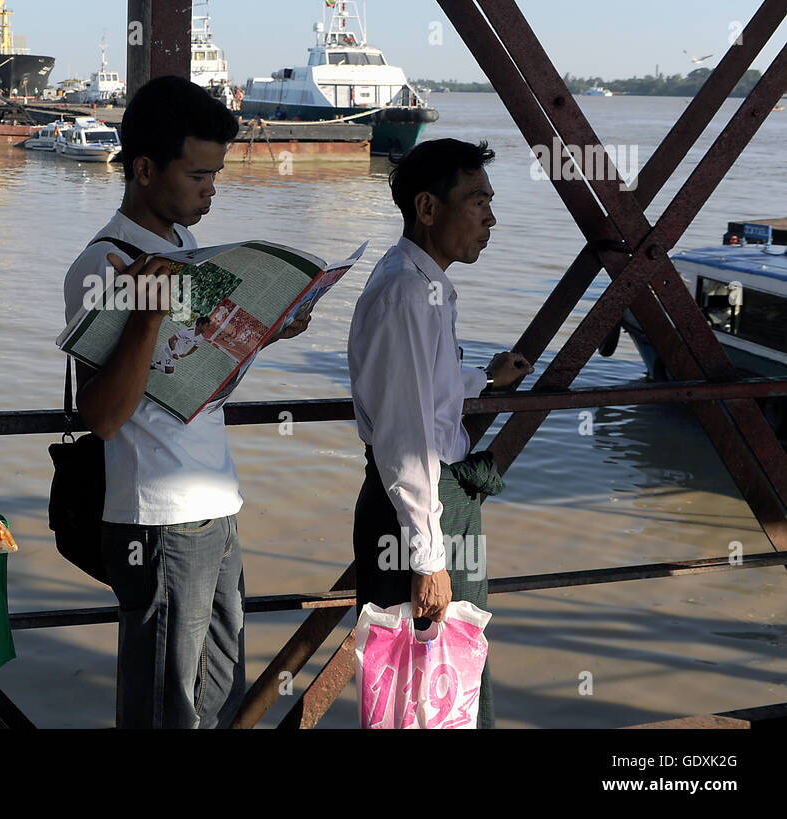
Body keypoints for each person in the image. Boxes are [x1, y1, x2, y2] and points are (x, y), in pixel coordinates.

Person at [62, 75, 311, 729]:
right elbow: (105, 416)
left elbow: (202, 384)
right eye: (198, 175)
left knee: (218, 692)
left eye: (216, 174)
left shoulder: (184, 252)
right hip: (159, 515)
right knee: (163, 705)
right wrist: (145, 317)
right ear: (144, 169)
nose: (211, 189)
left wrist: (259, 327)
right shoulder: (105, 266)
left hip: (215, 505)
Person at [347, 137, 532, 729]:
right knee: (425, 690)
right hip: (420, 514)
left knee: (444, 684)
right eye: (477, 201)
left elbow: (424, 395)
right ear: (427, 209)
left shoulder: (418, 282)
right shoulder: (406, 293)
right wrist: (427, 559)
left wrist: (482, 379)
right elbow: (404, 437)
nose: (491, 218)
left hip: (428, 506)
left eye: (490, 201)